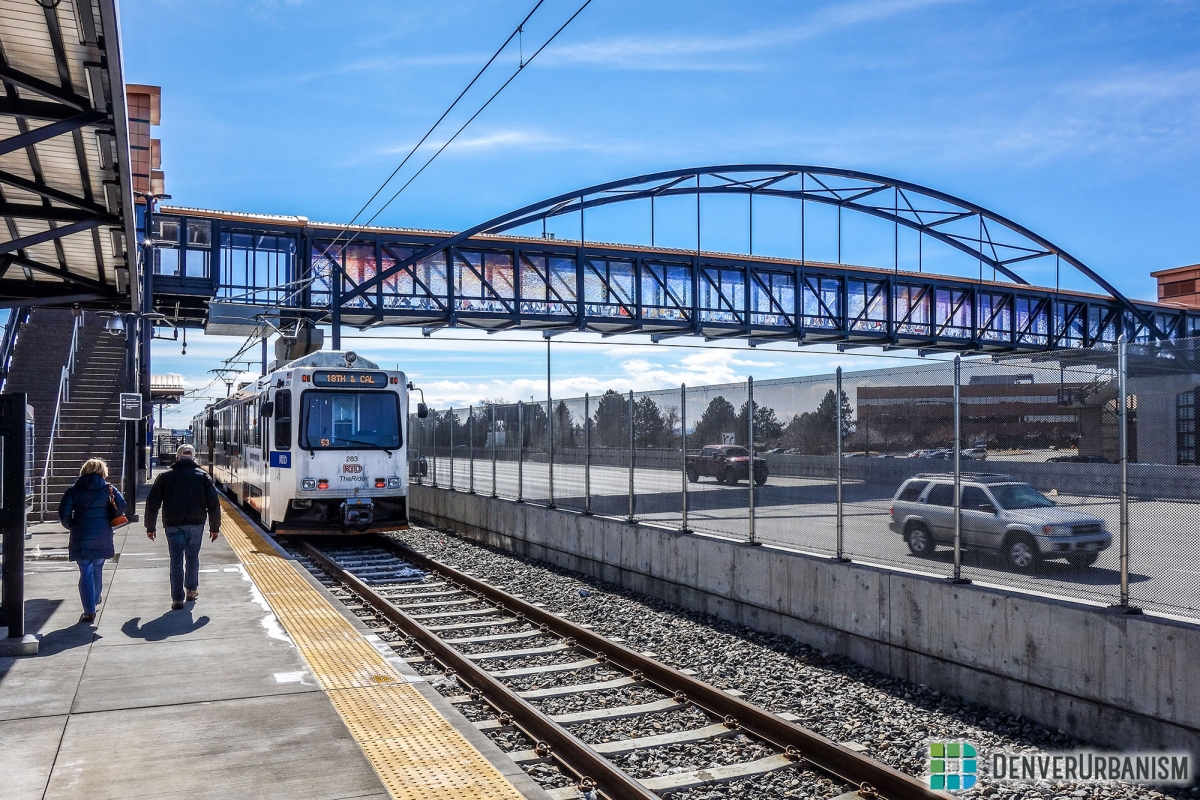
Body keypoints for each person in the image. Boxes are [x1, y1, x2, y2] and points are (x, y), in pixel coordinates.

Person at [145, 444, 221, 611]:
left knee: (176, 559)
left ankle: (177, 598)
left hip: (173, 525)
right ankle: (192, 590)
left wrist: (150, 526)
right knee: (193, 557)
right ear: (193, 458)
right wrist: (214, 527)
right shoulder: (203, 477)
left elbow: (152, 504)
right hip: (196, 524)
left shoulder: (165, 476)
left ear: (177, 458)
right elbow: (214, 505)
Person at [58, 458, 126, 624]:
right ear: (103, 472)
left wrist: (72, 525)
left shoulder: (74, 490)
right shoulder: (108, 488)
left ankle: (89, 611)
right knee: (98, 567)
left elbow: (64, 513)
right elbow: (122, 505)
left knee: (85, 571)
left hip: (81, 535)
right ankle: (95, 599)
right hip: (102, 533)